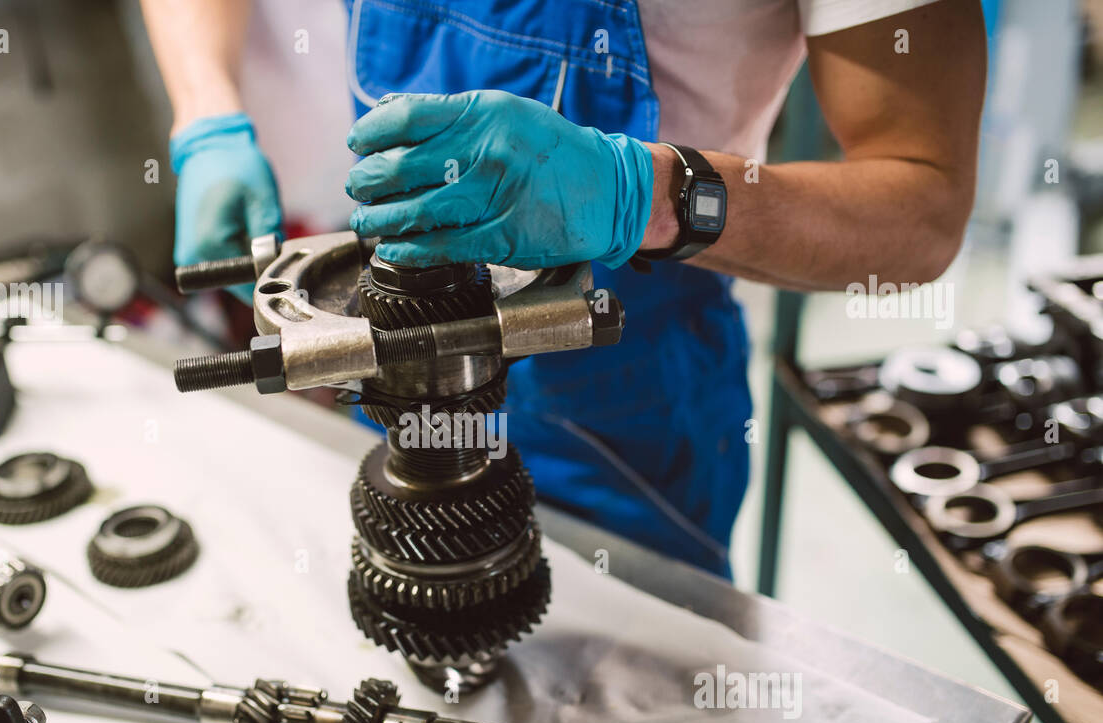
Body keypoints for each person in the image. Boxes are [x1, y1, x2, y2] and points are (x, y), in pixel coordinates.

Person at [142, 0, 986, 578]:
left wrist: (640, 195)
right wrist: (206, 115)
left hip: (625, 375)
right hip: (393, 332)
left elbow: (923, 207)